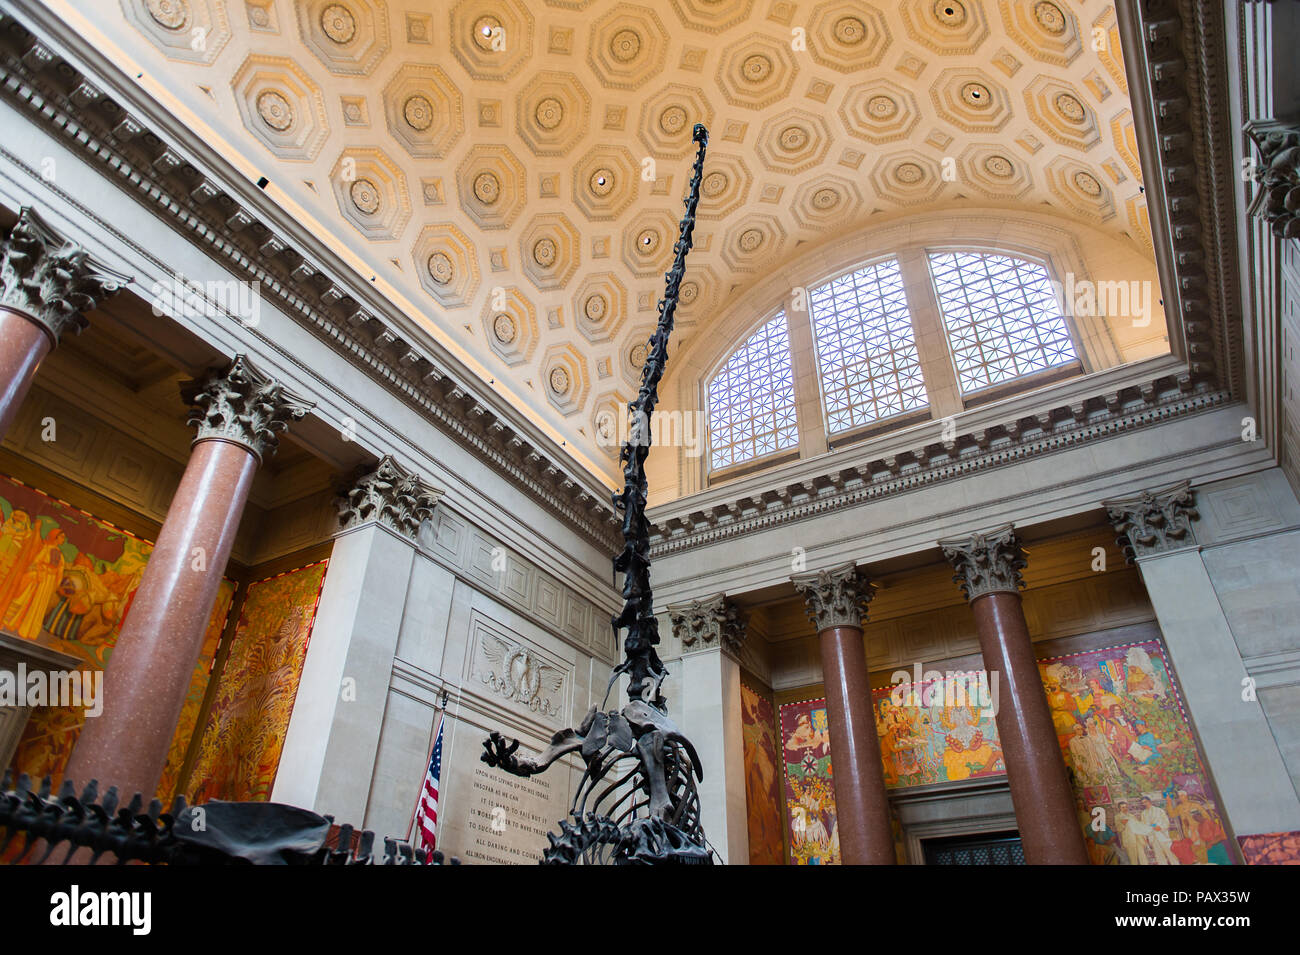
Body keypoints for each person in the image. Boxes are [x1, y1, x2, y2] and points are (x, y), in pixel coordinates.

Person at [1140, 796, 1181, 864]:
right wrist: (1146, 836)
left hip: (1163, 835)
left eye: (1145, 802)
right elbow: (1143, 827)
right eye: (1142, 803)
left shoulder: (1159, 810)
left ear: (1149, 801)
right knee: (1159, 857)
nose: (1144, 804)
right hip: (1153, 838)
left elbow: (1166, 822)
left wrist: (1161, 827)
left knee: (1171, 854)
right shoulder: (1143, 814)